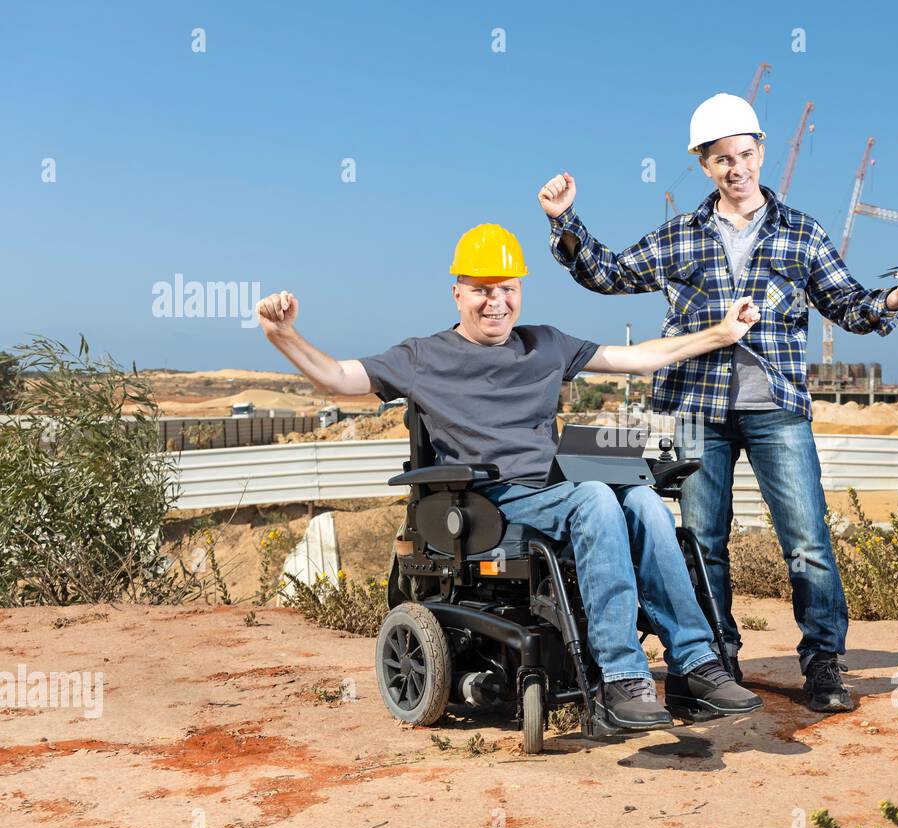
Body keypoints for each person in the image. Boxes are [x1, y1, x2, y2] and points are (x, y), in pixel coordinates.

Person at [256, 223, 764, 732]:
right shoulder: (422, 357)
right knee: (596, 499)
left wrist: (722, 333)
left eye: (506, 289)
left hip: (557, 488)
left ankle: (695, 665)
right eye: (481, 290)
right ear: (458, 293)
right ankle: (620, 678)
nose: (494, 302)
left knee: (645, 500)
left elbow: (638, 358)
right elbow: (338, 378)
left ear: (519, 291)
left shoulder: (545, 344)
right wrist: (284, 335)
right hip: (491, 501)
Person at [538, 92, 898, 712]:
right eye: (722, 158)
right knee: (703, 544)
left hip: (777, 410)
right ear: (703, 163)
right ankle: (716, 662)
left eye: (746, 155)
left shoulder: (801, 233)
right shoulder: (681, 235)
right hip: (698, 410)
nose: (736, 168)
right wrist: (565, 222)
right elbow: (609, 274)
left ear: (762, 153)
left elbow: (853, 308)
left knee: (807, 540)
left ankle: (825, 665)